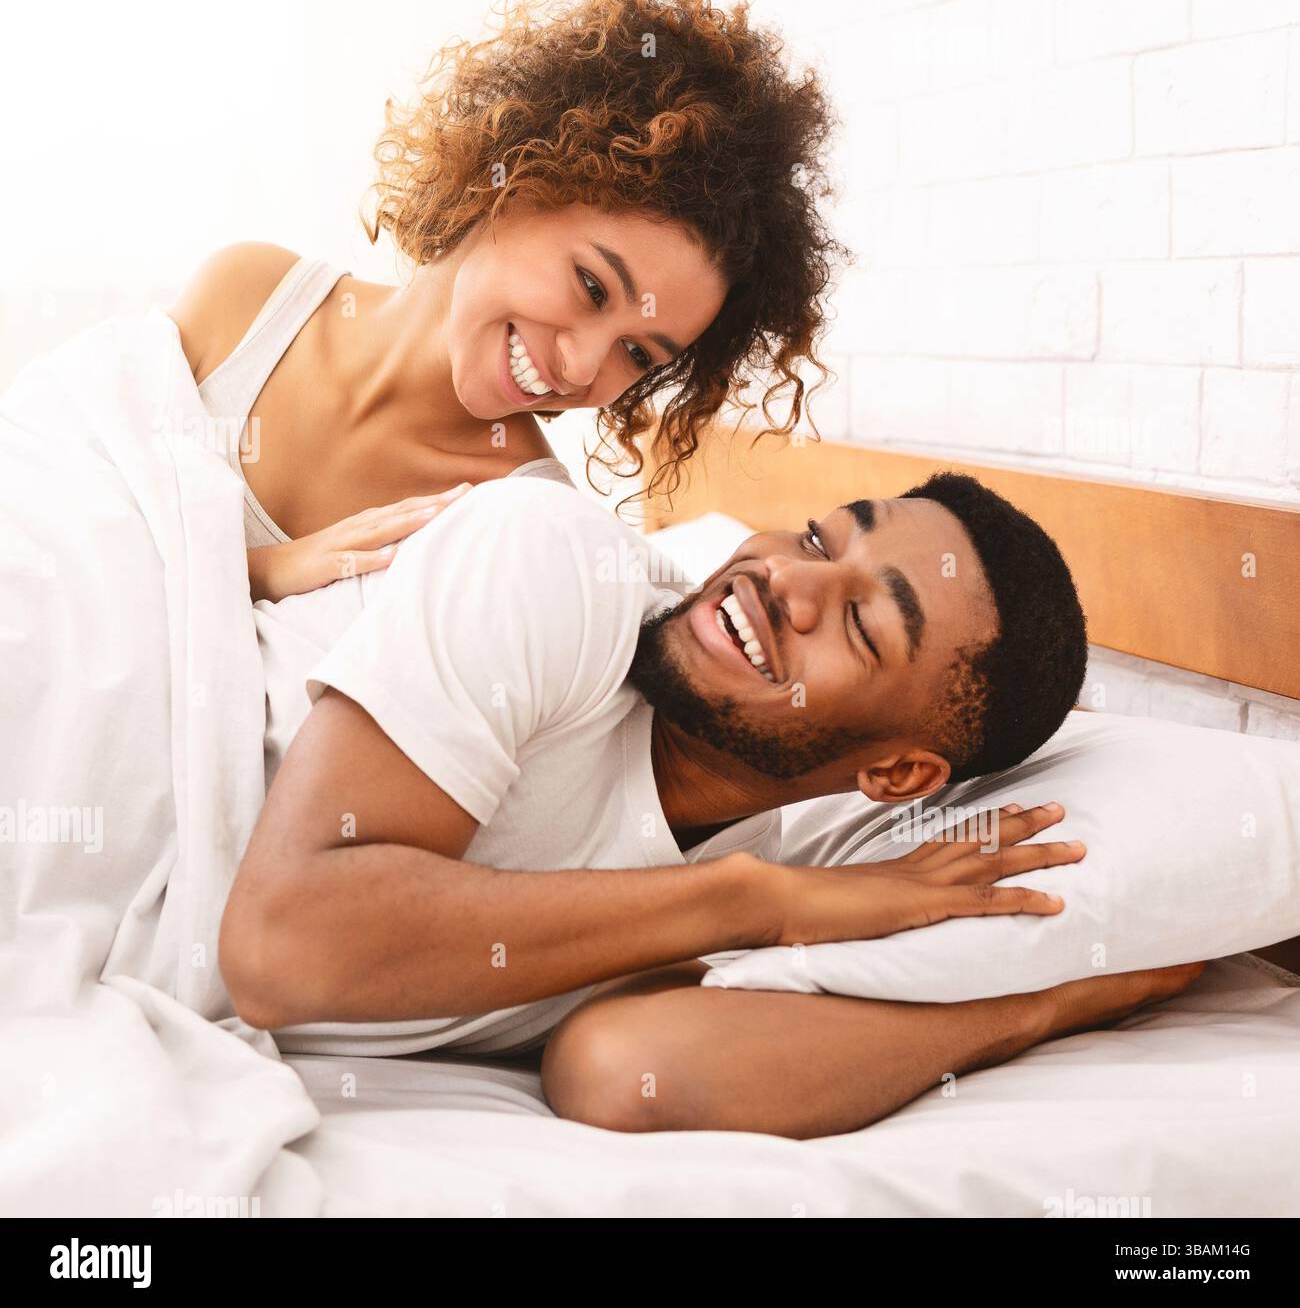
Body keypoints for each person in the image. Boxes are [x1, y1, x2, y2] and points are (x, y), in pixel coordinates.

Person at [219, 470, 1204, 1136]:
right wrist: (753, 904)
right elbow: (281, 947)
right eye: (820, 536)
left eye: (859, 621)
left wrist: (1041, 1003)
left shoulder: (791, 864)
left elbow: (618, 1070)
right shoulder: (553, 558)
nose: (788, 579)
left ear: (899, 776)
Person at [165, 0, 851, 602]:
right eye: (591, 287)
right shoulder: (250, 300)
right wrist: (265, 572)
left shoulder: (520, 526)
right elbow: (77, 526)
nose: (581, 368)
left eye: (640, 354)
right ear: (519, 177)